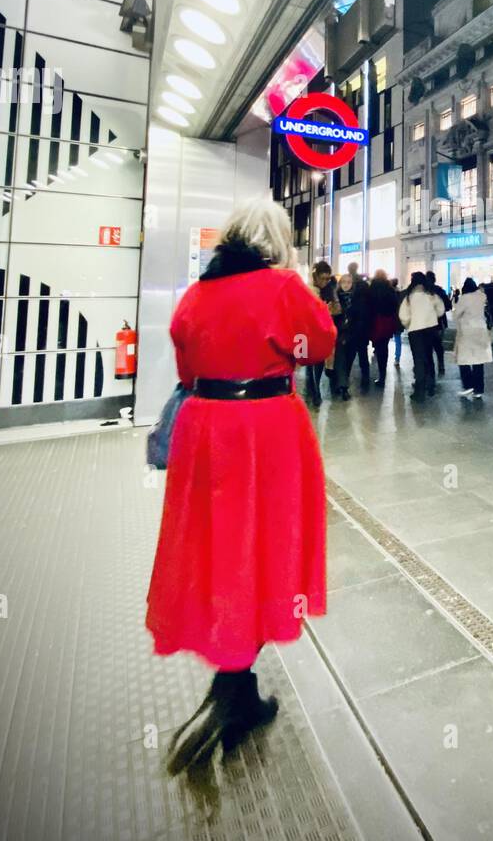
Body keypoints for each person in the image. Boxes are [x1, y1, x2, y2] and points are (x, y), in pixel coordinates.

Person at [146, 199, 336, 774]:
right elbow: (320, 344)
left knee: (216, 546)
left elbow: (185, 367)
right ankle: (232, 691)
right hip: (266, 430)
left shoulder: (197, 294)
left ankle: (236, 684)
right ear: (276, 241)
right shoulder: (281, 288)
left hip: (205, 430)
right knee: (266, 544)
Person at [399, 272, 445, 398]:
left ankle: (419, 391)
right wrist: (432, 316)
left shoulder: (409, 298)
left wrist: (408, 324)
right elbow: (441, 310)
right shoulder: (431, 295)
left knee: (419, 360)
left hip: (415, 331)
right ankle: (431, 385)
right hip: (430, 329)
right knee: (429, 357)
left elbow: (403, 316)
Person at [452, 277, 493, 399]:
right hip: (481, 331)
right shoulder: (482, 297)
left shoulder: (464, 298)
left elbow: (456, 315)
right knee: (478, 362)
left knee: (463, 360)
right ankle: (479, 389)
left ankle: (468, 385)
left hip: (467, 332)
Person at [306, 260, 337, 405]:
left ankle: (315, 392)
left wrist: (328, 310)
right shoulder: (308, 290)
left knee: (317, 363)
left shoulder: (329, 290)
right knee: (306, 364)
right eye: (322, 278)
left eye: (327, 278)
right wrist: (324, 310)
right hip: (304, 334)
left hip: (319, 333)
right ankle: (311, 392)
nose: (325, 281)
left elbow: (337, 309)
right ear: (315, 276)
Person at [335, 267, 371, 395]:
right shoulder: (336, 297)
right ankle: (343, 387)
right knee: (341, 359)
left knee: (349, 359)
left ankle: (343, 384)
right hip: (339, 334)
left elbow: (362, 316)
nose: (346, 285)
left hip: (354, 334)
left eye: (349, 282)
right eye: (343, 282)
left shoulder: (357, 298)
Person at [368, 271, 401, 384]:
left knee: (378, 346)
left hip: (374, 321)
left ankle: (378, 374)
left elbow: (368, 304)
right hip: (387, 321)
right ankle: (383, 375)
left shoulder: (372, 288)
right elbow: (395, 305)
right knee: (384, 347)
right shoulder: (389, 288)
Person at [426, 270, 451, 377]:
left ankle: (429, 369)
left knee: (427, 347)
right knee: (438, 345)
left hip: (426, 323)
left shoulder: (424, 292)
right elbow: (448, 305)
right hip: (439, 323)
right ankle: (441, 364)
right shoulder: (440, 290)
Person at [390, 279, 404, 365]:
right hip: (399, 319)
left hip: (390, 319)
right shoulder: (401, 294)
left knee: (386, 340)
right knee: (398, 339)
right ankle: (397, 358)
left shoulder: (389, 294)